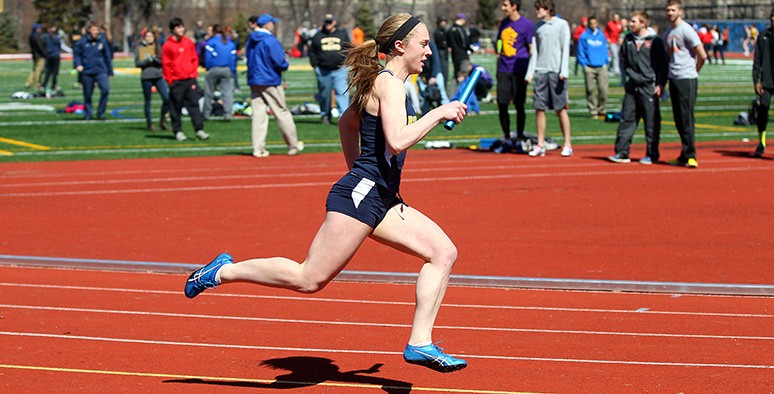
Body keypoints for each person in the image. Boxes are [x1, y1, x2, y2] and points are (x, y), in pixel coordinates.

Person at [184, 12, 469, 374]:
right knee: (309, 279)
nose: (429, 51)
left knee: (442, 252)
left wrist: (361, 173)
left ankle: (420, 343)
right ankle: (220, 273)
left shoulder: (384, 84)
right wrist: (437, 114)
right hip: (364, 195)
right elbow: (396, 142)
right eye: (423, 43)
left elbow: (346, 123)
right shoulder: (390, 85)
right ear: (400, 46)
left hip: (377, 197)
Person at [607, 11, 668, 165]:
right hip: (632, 85)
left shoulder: (655, 41)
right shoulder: (628, 39)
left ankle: (652, 153)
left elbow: (662, 64)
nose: (630, 24)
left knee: (651, 122)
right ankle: (622, 152)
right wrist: (628, 75)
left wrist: (660, 83)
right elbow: (623, 59)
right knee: (627, 118)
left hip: (649, 86)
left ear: (643, 23)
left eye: (634, 21)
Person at [245, 14, 304, 158]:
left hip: (255, 80)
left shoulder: (251, 40)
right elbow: (280, 63)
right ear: (266, 25)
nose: (273, 25)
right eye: (272, 23)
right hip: (270, 80)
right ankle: (293, 145)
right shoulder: (270, 40)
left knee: (258, 115)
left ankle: (257, 148)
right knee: (281, 112)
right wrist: (285, 61)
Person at [525, 0, 573, 157]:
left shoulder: (562, 25)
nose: (537, 11)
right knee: (539, 109)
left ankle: (567, 143)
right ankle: (540, 144)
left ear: (548, 9)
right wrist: (530, 73)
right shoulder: (537, 27)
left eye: (539, 8)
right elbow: (535, 52)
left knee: (560, 109)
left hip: (556, 72)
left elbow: (565, 48)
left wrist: (563, 70)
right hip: (541, 72)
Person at [664, 0, 707, 168]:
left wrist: (694, 70)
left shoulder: (686, 30)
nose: (670, 13)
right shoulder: (668, 32)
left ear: (680, 11)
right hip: (673, 77)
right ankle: (684, 153)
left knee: (686, 117)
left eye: (673, 10)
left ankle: (691, 154)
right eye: (668, 10)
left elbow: (702, 54)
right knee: (678, 118)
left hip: (686, 78)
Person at [162, 17, 209, 142]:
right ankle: (178, 131)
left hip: (190, 79)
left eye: (182, 26)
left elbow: (194, 58)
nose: (181, 29)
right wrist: (170, 80)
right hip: (176, 81)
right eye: (178, 27)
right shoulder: (167, 45)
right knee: (176, 107)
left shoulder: (188, 42)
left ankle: (199, 129)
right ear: (173, 29)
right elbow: (166, 64)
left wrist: (193, 73)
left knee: (194, 105)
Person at [495, 0, 533, 142]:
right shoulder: (504, 23)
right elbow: (499, 42)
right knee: (502, 103)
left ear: (514, 6)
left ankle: (520, 134)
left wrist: (530, 71)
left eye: (506, 5)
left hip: (519, 69)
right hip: (504, 68)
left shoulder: (527, 24)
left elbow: (531, 47)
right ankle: (506, 135)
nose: (503, 8)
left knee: (519, 104)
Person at [309, 14, 351, 125]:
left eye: (330, 22)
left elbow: (349, 48)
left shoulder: (342, 34)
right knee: (324, 95)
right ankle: (325, 115)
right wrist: (315, 65)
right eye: (326, 22)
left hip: (340, 69)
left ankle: (344, 118)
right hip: (323, 70)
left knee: (342, 93)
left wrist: (347, 62)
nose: (328, 24)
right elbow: (312, 51)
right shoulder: (318, 35)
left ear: (334, 22)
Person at [73, 23, 113, 121]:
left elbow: (107, 56)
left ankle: (101, 112)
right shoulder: (82, 42)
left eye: (97, 30)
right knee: (87, 94)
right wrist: (78, 65)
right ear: (89, 31)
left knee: (105, 90)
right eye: (94, 30)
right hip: (87, 71)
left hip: (100, 70)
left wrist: (110, 71)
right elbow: (77, 55)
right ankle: (88, 113)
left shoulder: (102, 41)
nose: (96, 32)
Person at [135, 28, 170, 131]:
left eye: (151, 36)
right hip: (147, 76)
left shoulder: (158, 47)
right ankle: (149, 123)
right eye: (147, 36)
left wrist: (157, 60)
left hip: (158, 76)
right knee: (148, 101)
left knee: (166, 98)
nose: (149, 38)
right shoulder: (140, 48)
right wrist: (147, 61)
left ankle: (163, 120)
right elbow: (137, 63)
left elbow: (163, 61)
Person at [577, 16, 609, 119]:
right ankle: (593, 110)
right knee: (590, 89)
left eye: (595, 23)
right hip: (589, 66)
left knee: (603, 89)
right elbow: (580, 50)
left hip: (601, 65)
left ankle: (601, 108)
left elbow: (605, 49)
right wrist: (584, 63)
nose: (593, 25)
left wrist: (605, 61)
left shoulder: (601, 36)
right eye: (591, 23)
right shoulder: (584, 36)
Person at [202, 24, 237, 121]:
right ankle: (228, 114)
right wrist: (232, 70)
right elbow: (233, 58)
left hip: (214, 68)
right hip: (226, 69)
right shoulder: (230, 43)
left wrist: (208, 68)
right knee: (227, 93)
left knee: (209, 92)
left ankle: (206, 113)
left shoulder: (211, 42)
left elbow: (208, 57)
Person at [752, 8, 774, 158]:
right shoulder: (764, 36)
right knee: (763, 109)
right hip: (767, 81)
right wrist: (756, 80)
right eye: (773, 16)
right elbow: (757, 60)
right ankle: (761, 142)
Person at [447, 13, 471, 90]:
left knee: (456, 75)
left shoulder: (450, 30)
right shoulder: (461, 30)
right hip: (462, 55)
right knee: (463, 75)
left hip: (454, 56)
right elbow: (465, 43)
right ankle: (463, 95)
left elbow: (449, 44)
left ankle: (452, 95)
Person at [41, 25, 62, 95]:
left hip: (49, 55)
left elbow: (43, 45)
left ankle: (44, 85)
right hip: (55, 55)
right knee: (54, 72)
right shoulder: (56, 37)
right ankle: (53, 84)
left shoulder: (45, 37)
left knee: (48, 72)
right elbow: (59, 45)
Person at [25, 23, 47, 91]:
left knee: (34, 69)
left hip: (34, 54)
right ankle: (37, 83)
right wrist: (45, 53)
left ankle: (28, 83)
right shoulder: (37, 36)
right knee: (39, 70)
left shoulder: (31, 36)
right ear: (37, 29)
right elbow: (39, 46)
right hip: (39, 55)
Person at [433, 16, 450, 90]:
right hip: (440, 55)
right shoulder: (437, 32)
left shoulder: (446, 31)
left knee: (445, 73)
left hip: (445, 55)